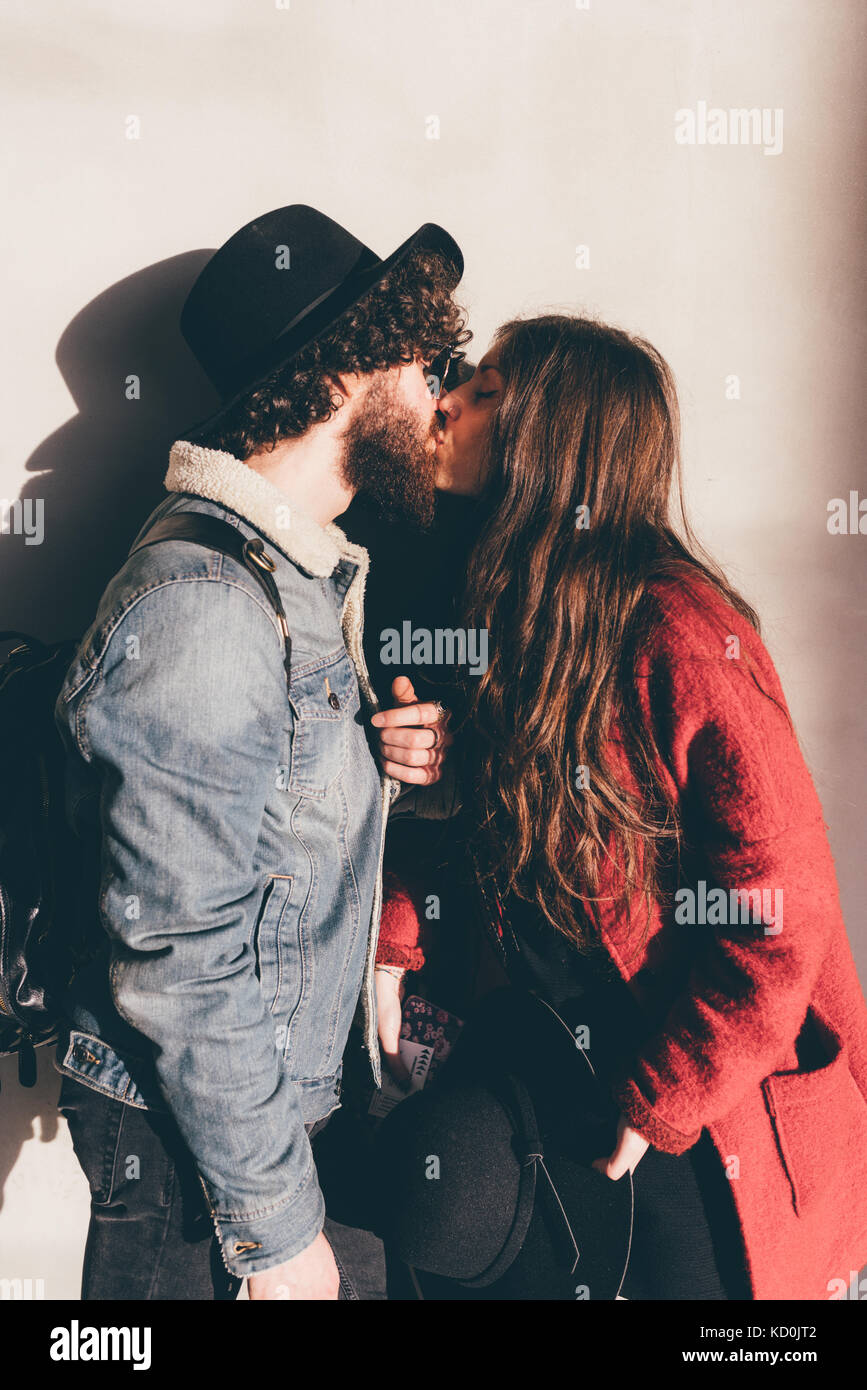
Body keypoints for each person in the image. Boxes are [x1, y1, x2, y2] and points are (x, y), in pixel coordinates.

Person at [371, 313, 867, 1300]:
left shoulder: (680, 633)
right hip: (551, 1083)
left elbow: (783, 913)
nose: (447, 401)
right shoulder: (492, 607)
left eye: (485, 390)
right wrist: (401, 877)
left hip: (698, 1117)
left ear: (550, 440)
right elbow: (477, 835)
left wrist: (666, 1096)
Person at [53, 204, 466, 1301]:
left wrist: (382, 771)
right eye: (428, 360)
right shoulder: (204, 601)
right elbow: (181, 952)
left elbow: (268, 832)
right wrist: (278, 1234)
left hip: (271, 1115)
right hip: (194, 1153)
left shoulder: (298, 576)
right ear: (339, 379)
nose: (444, 391)